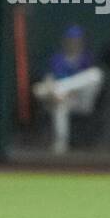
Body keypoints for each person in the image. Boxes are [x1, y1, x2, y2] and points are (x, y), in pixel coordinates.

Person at [31, 25, 104, 154]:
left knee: (96, 74)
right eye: (71, 40)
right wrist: (55, 90)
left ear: (81, 42)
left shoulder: (86, 58)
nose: (73, 43)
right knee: (44, 93)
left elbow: (91, 82)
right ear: (65, 41)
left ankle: (61, 89)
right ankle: (61, 143)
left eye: (76, 40)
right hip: (62, 100)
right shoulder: (57, 59)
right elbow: (48, 79)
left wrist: (64, 90)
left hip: (83, 100)